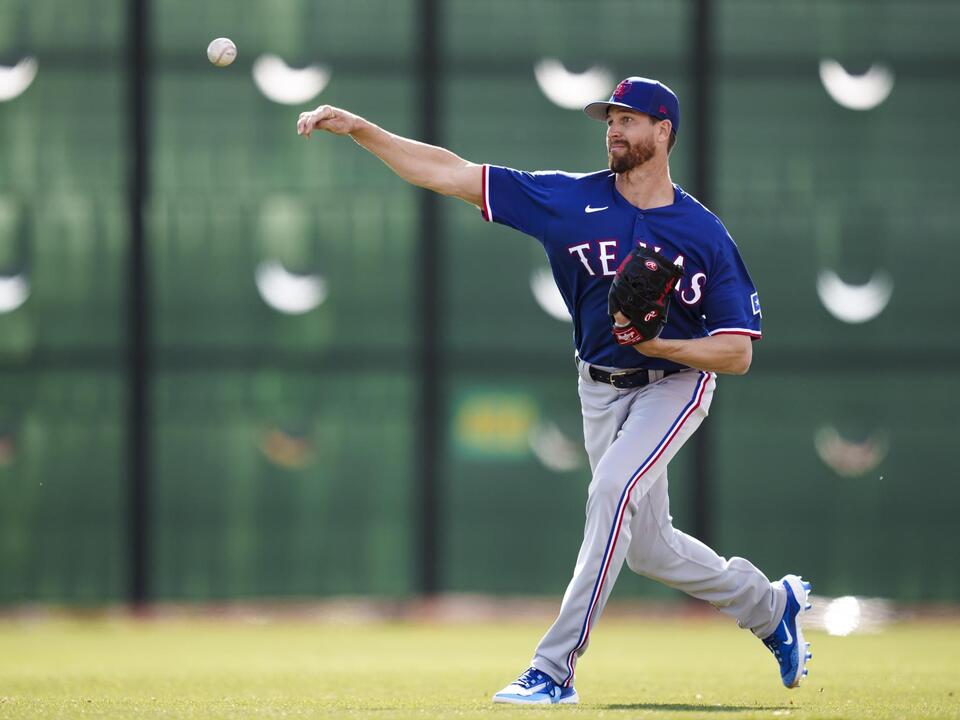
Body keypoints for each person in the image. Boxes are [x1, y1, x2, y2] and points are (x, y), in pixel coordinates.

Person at [296, 76, 811, 705]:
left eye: (628, 119)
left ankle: (553, 669)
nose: (614, 130)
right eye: (609, 119)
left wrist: (662, 348)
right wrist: (362, 130)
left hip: (673, 384)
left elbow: (736, 352)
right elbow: (451, 173)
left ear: (663, 132)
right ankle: (771, 606)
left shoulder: (701, 232)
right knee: (649, 547)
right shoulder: (569, 201)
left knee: (612, 491)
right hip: (597, 386)